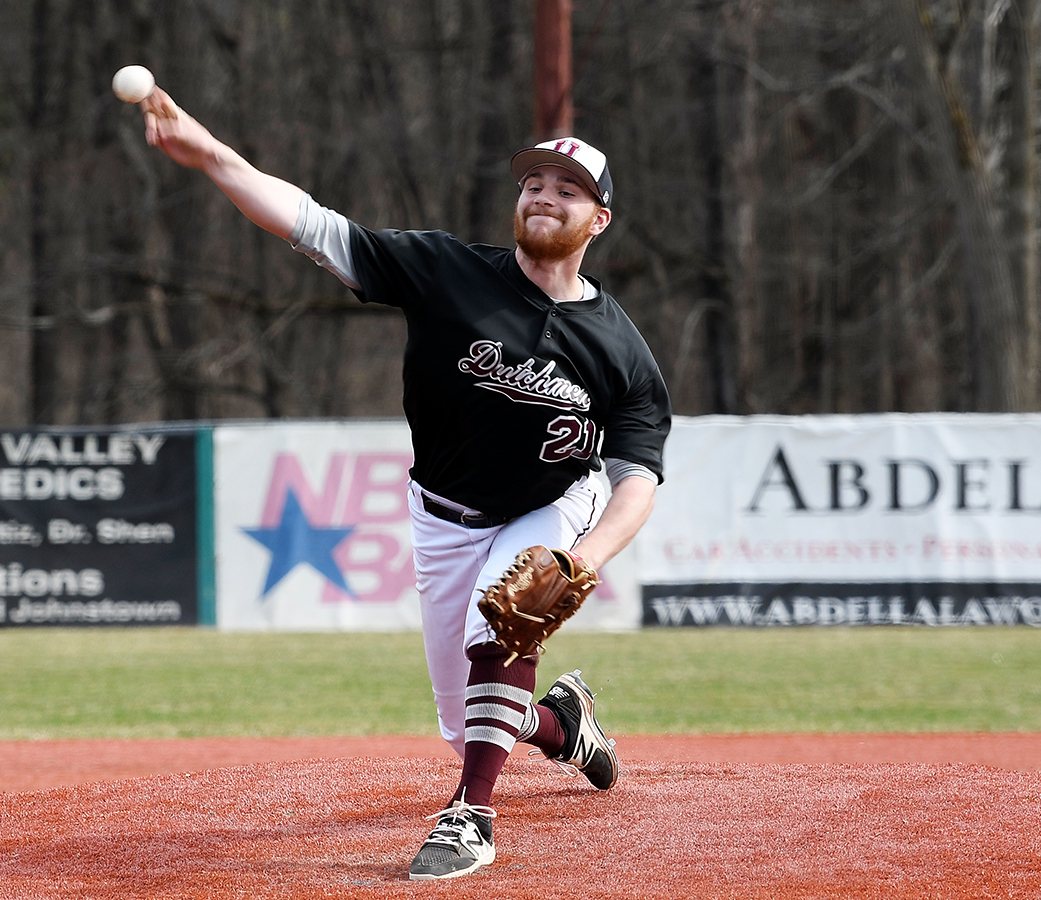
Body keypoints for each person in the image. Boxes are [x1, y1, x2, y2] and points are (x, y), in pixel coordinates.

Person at [140, 88, 670, 881]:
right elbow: (312, 226)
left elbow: (637, 478)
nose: (543, 196)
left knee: (503, 622)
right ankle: (565, 726)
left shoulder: (621, 349)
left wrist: (580, 559)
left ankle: (471, 818)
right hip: (444, 515)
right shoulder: (448, 272)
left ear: (598, 220)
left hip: (552, 502)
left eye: (568, 190)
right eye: (532, 183)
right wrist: (212, 154)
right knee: (466, 724)